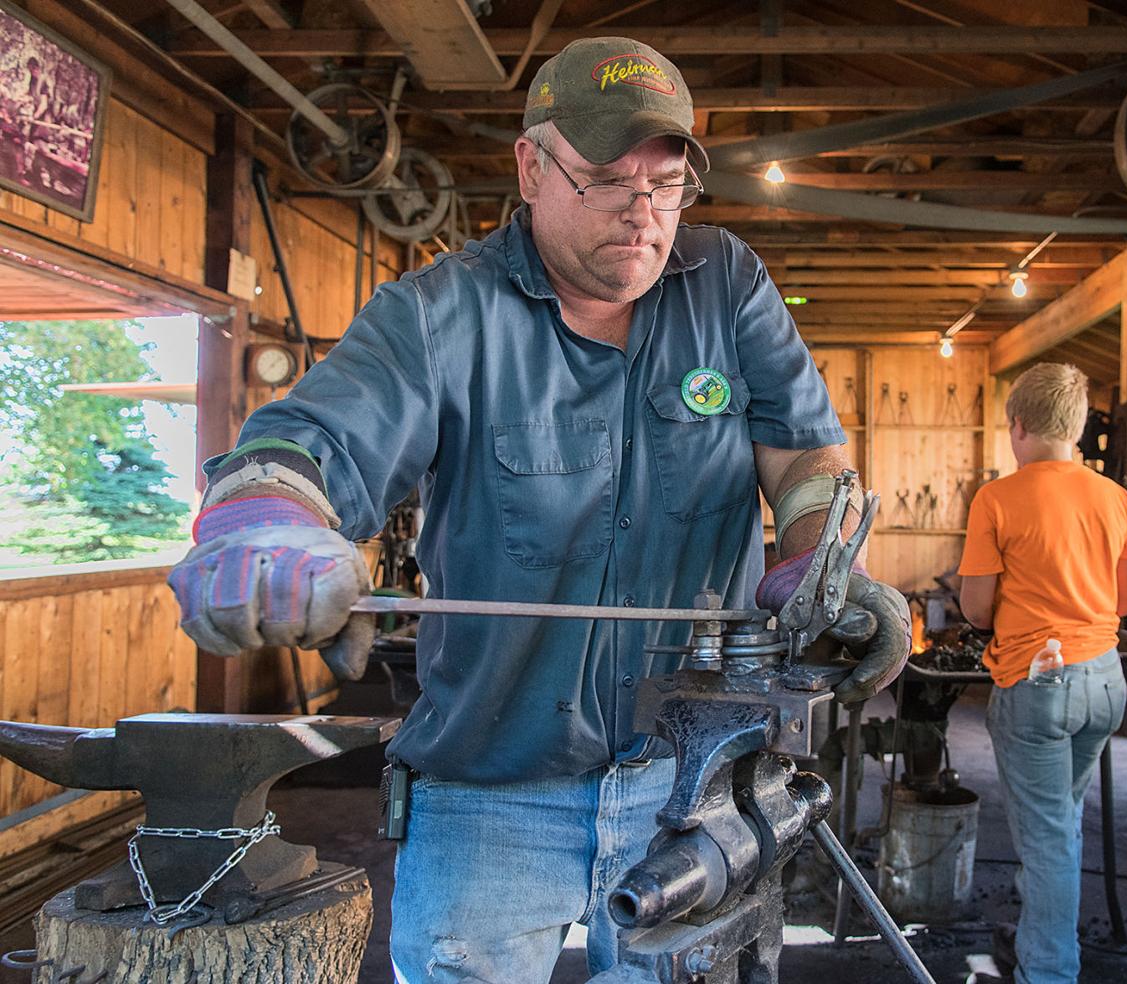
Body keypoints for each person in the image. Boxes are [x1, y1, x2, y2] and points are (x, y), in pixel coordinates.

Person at [166, 36, 911, 984]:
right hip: (489, 799)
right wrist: (259, 521)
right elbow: (315, 441)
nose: (644, 216)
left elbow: (805, 451)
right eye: (605, 180)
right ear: (532, 165)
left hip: (695, 787)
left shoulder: (726, 283)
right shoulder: (438, 316)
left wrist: (817, 562)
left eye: (666, 185)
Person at [956, 363, 1127, 984]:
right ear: (1078, 427)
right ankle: (1042, 937)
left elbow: (978, 609)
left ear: (1017, 426)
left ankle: (1050, 972)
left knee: (1046, 840)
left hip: (1037, 685)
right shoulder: (1115, 497)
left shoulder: (998, 497)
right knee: (1060, 824)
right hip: (1105, 681)